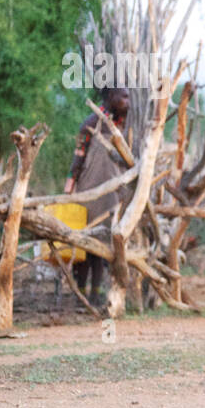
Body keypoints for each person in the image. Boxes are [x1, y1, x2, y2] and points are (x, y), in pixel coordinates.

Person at [64, 86, 131, 304]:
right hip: (90, 191)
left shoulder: (125, 126)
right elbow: (78, 157)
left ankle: (96, 292)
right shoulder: (91, 123)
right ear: (110, 97)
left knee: (104, 245)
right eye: (124, 97)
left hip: (113, 194)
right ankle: (81, 292)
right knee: (86, 242)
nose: (127, 101)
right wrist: (69, 188)